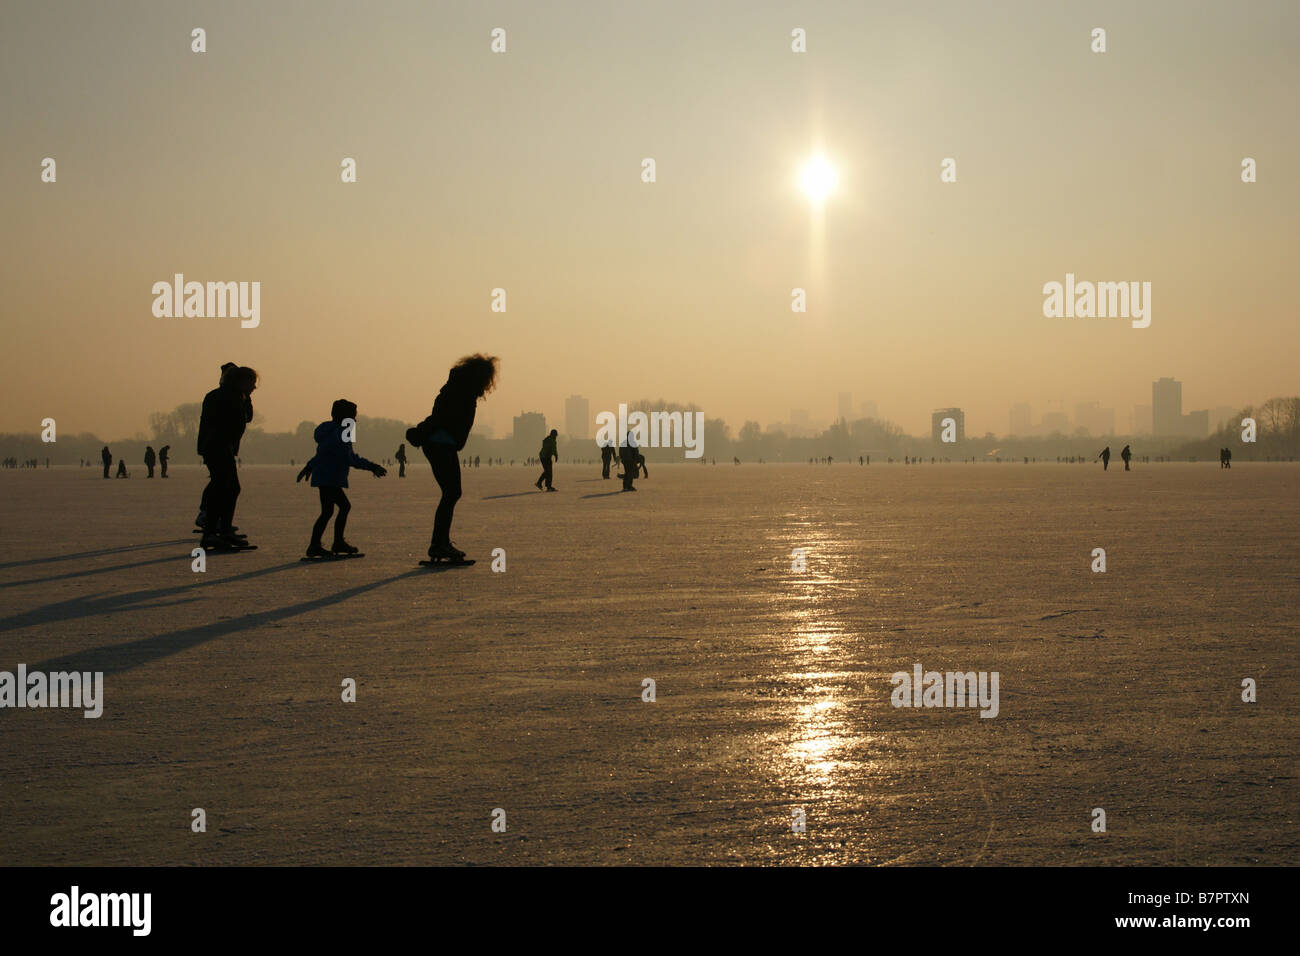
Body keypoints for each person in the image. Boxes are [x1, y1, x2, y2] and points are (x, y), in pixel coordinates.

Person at [406, 354, 499, 562]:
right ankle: (439, 544)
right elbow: (439, 416)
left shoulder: (461, 390)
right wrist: (420, 433)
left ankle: (440, 543)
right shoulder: (459, 392)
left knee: (451, 493)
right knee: (451, 493)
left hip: (443, 444)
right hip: (440, 444)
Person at [297, 399, 386, 558]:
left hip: (326, 476)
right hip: (329, 477)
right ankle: (327, 543)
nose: (355, 420)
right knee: (341, 507)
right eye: (353, 416)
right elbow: (348, 458)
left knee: (330, 510)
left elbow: (328, 453)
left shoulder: (333, 430)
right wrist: (372, 466)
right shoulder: (342, 431)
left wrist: (310, 466)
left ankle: (322, 543)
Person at [197, 366, 258, 550]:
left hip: (221, 448)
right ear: (240, 381)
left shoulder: (234, 396)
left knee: (228, 488)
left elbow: (247, 418)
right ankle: (213, 533)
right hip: (217, 447)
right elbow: (229, 422)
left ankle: (222, 531)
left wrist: (247, 397)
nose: (253, 388)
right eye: (251, 384)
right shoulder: (224, 396)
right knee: (226, 488)